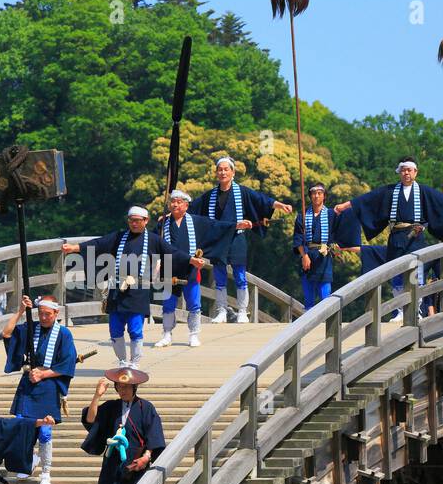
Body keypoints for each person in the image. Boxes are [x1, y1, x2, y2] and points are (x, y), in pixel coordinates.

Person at [335, 157, 443, 318]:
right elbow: (366, 199)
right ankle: (400, 310)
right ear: (399, 172)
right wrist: (344, 205)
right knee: (396, 273)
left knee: (415, 272)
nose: (406, 173)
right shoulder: (390, 191)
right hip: (396, 237)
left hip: (415, 238)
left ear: (415, 172)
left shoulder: (423, 191)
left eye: (409, 170)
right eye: (403, 170)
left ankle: (415, 310)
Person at [62, 207, 198, 370]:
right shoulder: (119, 237)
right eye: (131, 220)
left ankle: (134, 362)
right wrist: (74, 248)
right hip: (117, 289)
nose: (133, 224)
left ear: (146, 221)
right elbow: (98, 243)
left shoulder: (154, 240)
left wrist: (190, 260)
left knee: (135, 329)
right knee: (115, 329)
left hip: (138, 290)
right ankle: (122, 361)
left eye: (137, 221)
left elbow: (173, 252)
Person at [188, 156, 293, 323]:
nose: (222, 172)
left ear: (233, 172)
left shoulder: (242, 192)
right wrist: (172, 214)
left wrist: (280, 206)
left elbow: (262, 200)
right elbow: (191, 208)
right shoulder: (210, 196)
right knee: (219, 276)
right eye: (220, 169)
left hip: (237, 238)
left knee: (240, 276)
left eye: (226, 169)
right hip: (219, 240)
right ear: (216, 173)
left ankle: (242, 311)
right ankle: (221, 310)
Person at [81, 367, 167, 484]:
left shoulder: (146, 408)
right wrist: (97, 396)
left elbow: (154, 435)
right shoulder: (111, 407)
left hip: (136, 464)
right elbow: (91, 420)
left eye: (127, 387)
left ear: (134, 387)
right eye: (120, 387)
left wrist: (146, 457)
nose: (123, 390)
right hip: (113, 464)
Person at [2, 294, 76, 484]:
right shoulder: (30, 327)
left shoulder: (64, 334)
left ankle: (46, 473)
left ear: (56, 313)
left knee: (44, 431)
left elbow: (68, 364)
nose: (43, 318)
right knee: (21, 426)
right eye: (41, 314)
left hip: (48, 386)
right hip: (28, 384)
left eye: (48, 314)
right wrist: (20, 311)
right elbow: (7, 334)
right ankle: (27, 461)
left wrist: (44, 375)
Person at [152, 189, 236, 348]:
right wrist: (156, 263)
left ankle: (194, 334)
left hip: (190, 269)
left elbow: (216, 227)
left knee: (194, 304)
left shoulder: (196, 222)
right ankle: (167, 334)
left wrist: (235, 225)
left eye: (179, 202)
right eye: (172, 201)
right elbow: (154, 244)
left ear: (186, 205)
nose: (175, 204)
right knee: (168, 304)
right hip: (169, 269)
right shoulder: (162, 224)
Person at [293, 183, 356, 310]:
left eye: (319, 193)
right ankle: (308, 321)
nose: (316, 196)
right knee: (309, 294)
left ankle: (327, 320)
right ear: (310, 196)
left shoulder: (331, 214)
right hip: (308, 254)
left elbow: (342, 228)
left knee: (325, 293)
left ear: (324, 196)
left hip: (324, 255)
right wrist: (304, 255)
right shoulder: (303, 215)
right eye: (313, 193)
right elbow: (298, 237)